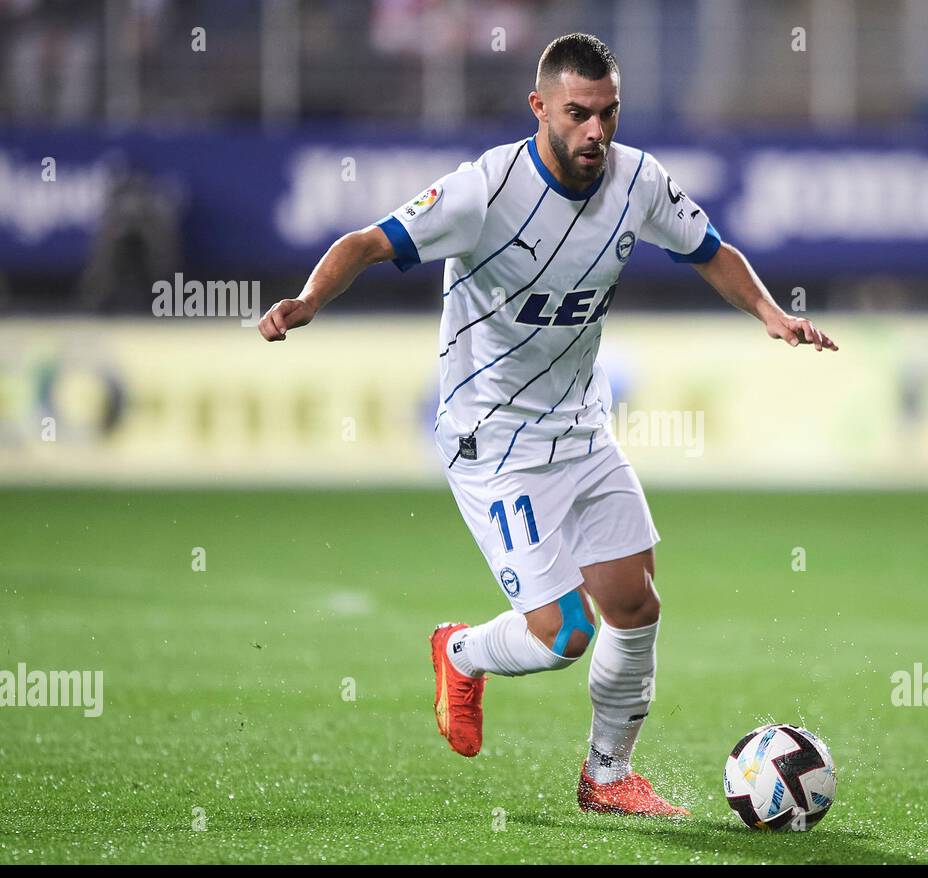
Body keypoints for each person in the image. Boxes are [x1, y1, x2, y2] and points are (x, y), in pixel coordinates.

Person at [257, 33, 837, 816]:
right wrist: (307, 301)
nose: (596, 132)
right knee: (564, 632)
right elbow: (365, 242)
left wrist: (770, 312)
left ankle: (606, 776)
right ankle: (460, 650)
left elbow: (710, 249)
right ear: (539, 109)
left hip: (582, 430)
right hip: (492, 443)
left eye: (608, 113)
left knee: (635, 605)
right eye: (578, 114)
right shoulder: (484, 191)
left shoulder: (638, 180)